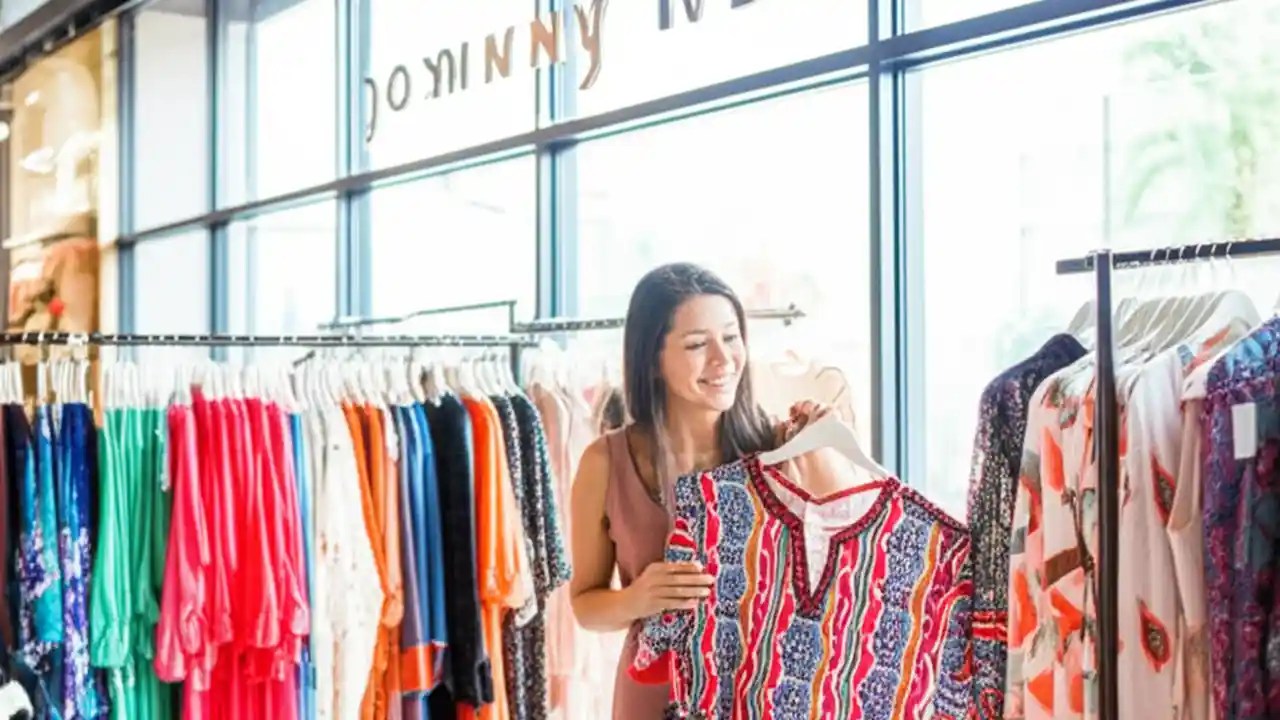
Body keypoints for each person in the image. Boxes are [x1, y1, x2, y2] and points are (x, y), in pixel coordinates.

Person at [568, 262, 850, 719]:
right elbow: (585, 605)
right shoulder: (604, 463)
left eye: (731, 337)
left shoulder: (782, 448)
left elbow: (846, 573)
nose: (723, 359)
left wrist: (824, 447)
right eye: (697, 344)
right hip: (653, 697)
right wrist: (636, 599)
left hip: (763, 695)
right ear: (652, 360)